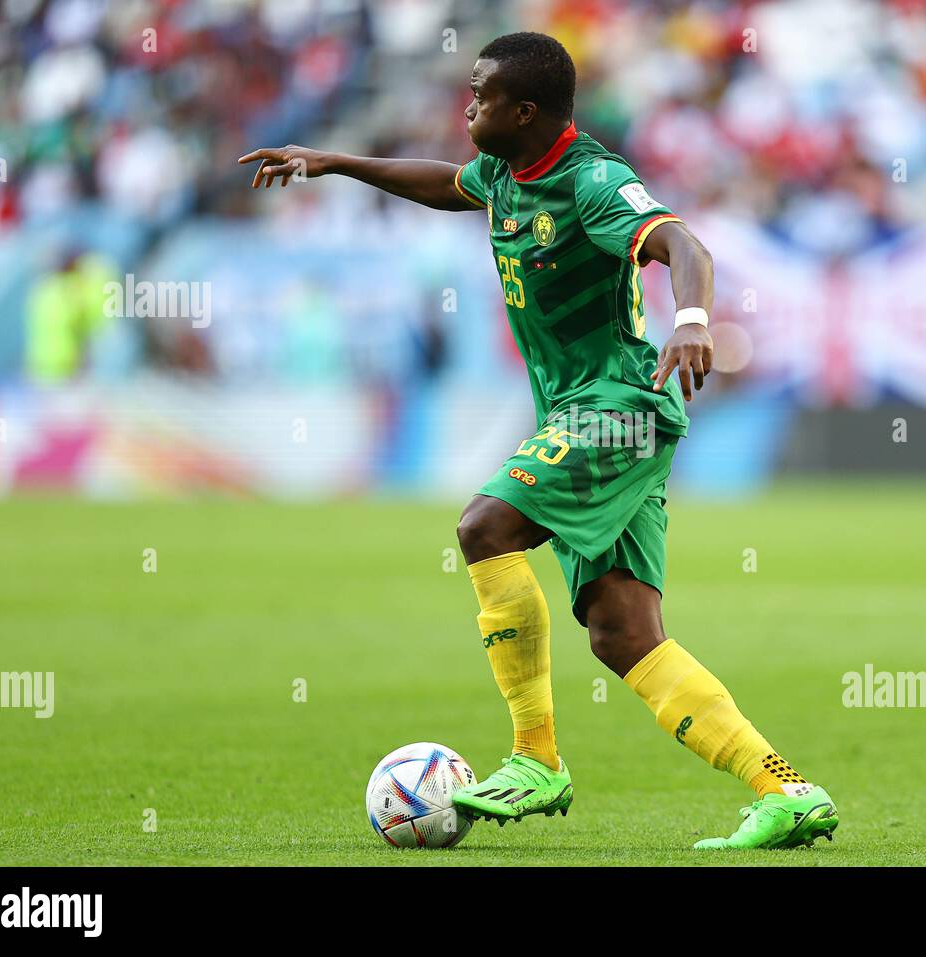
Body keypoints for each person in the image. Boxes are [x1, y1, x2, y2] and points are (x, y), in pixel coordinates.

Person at [240, 32, 837, 849]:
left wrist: (693, 321)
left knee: (484, 526)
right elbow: (450, 187)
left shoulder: (592, 181)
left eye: (479, 95)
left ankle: (536, 757)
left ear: (523, 112)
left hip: (619, 405)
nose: (466, 105)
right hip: (581, 410)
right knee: (622, 633)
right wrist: (335, 162)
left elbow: (683, 244)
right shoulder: (504, 172)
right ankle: (788, 789)